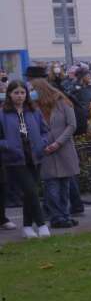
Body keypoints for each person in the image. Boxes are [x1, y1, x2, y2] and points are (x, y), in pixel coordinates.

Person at [0, 81, 50, 238]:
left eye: (22, 92)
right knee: (30, 190)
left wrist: (42, 143)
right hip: (15, 158)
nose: (20, 96)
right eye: (16, 93)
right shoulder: (3, 113)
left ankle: (27, 227)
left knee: (31, 193)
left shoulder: (33, 111)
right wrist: (8, 145)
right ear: (9, 94)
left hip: (34, 156)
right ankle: (41, 224)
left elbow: (45, 131)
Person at [29, 79, 79, 229]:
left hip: (63, 149)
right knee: (51, 185)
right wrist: (41, 144)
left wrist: (58, 142)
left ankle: (65, 215)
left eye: (32, 89)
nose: (29, 92)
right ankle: (57, 217)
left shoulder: (62, 102)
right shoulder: (32, 107)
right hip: (44, 150)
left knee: (64, 184)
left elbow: (72, 125)